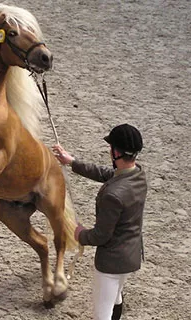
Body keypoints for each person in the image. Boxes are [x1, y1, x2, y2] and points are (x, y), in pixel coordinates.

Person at [53, 123, 147, 320]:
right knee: (116, 298)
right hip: (131, 255)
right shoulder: (138, 174)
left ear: (116, 152)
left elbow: (101, 236)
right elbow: (106, 174)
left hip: (110, 263)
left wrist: (80, 235)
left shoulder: (113, 195)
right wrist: (72, 162)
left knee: (101, 315)